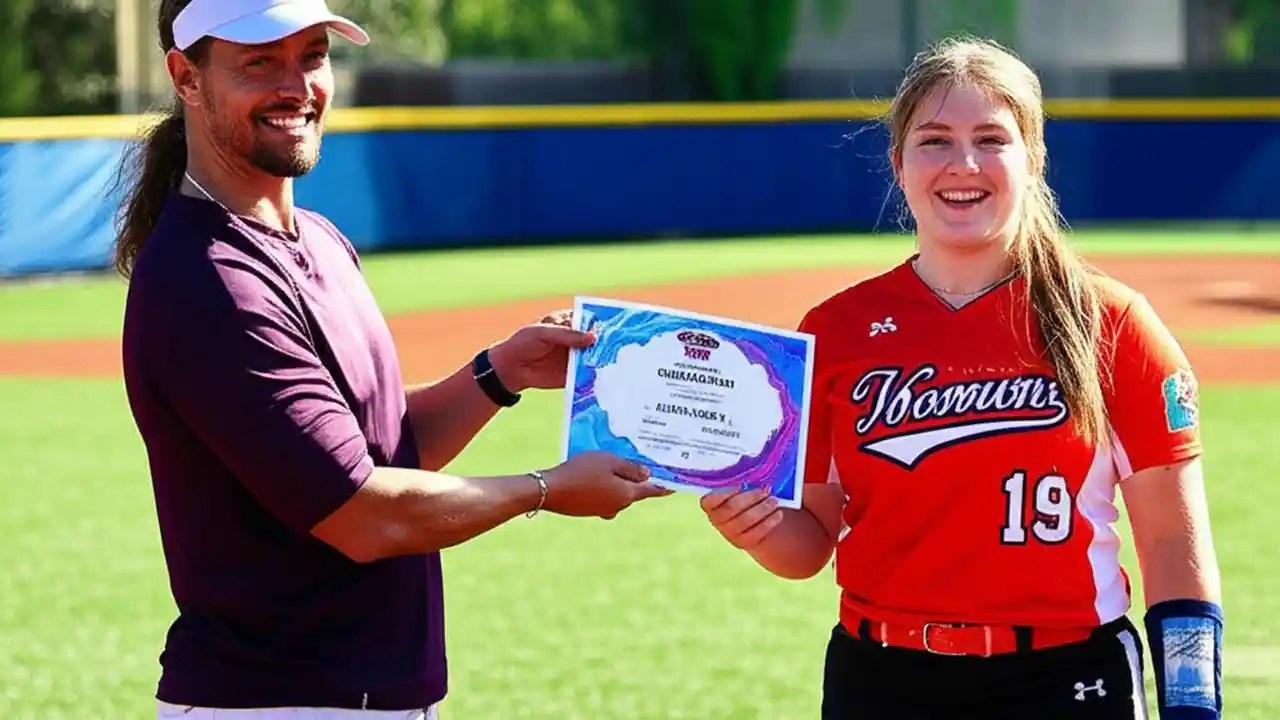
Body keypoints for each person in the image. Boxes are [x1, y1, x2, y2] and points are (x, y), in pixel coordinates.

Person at [114, 1, 671, 718]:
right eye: (259, 61)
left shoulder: (316, 239)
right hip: (275, 700)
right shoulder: (209, 279)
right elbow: (362, 516)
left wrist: (497, 375)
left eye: (312, 56)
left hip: (359, 695)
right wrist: (546, 488)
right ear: (186, 77)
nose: (297, 84)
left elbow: (378, 451)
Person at [699, 37, 1224, 720]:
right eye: (935, 140)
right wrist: (755, 525)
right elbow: (809, 545)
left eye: (991, 138)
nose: (963, 164)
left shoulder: (1114, 323)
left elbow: (1172, 545)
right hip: (880, 676)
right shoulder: (835, 329)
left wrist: (1194, 706)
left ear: (1033, 159)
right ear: (899, 163)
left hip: (1064, 677)